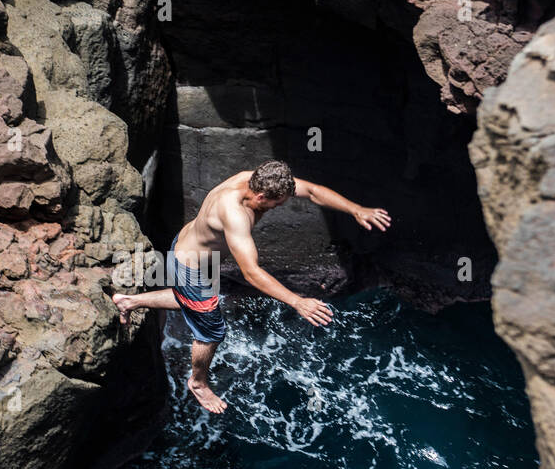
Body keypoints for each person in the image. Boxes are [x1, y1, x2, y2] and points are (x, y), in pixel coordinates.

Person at [112, 161, 391, 414]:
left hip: (189, 250)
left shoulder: (253, 178)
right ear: (260, 196)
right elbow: (252, 272)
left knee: (190, 299)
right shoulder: (235, 214)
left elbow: (315, 191)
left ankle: (129, 302)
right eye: (276, 204)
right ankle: (197, 382)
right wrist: (297, 301)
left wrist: (356, 209)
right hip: (191, 268)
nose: (278, 207)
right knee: (211, 332)